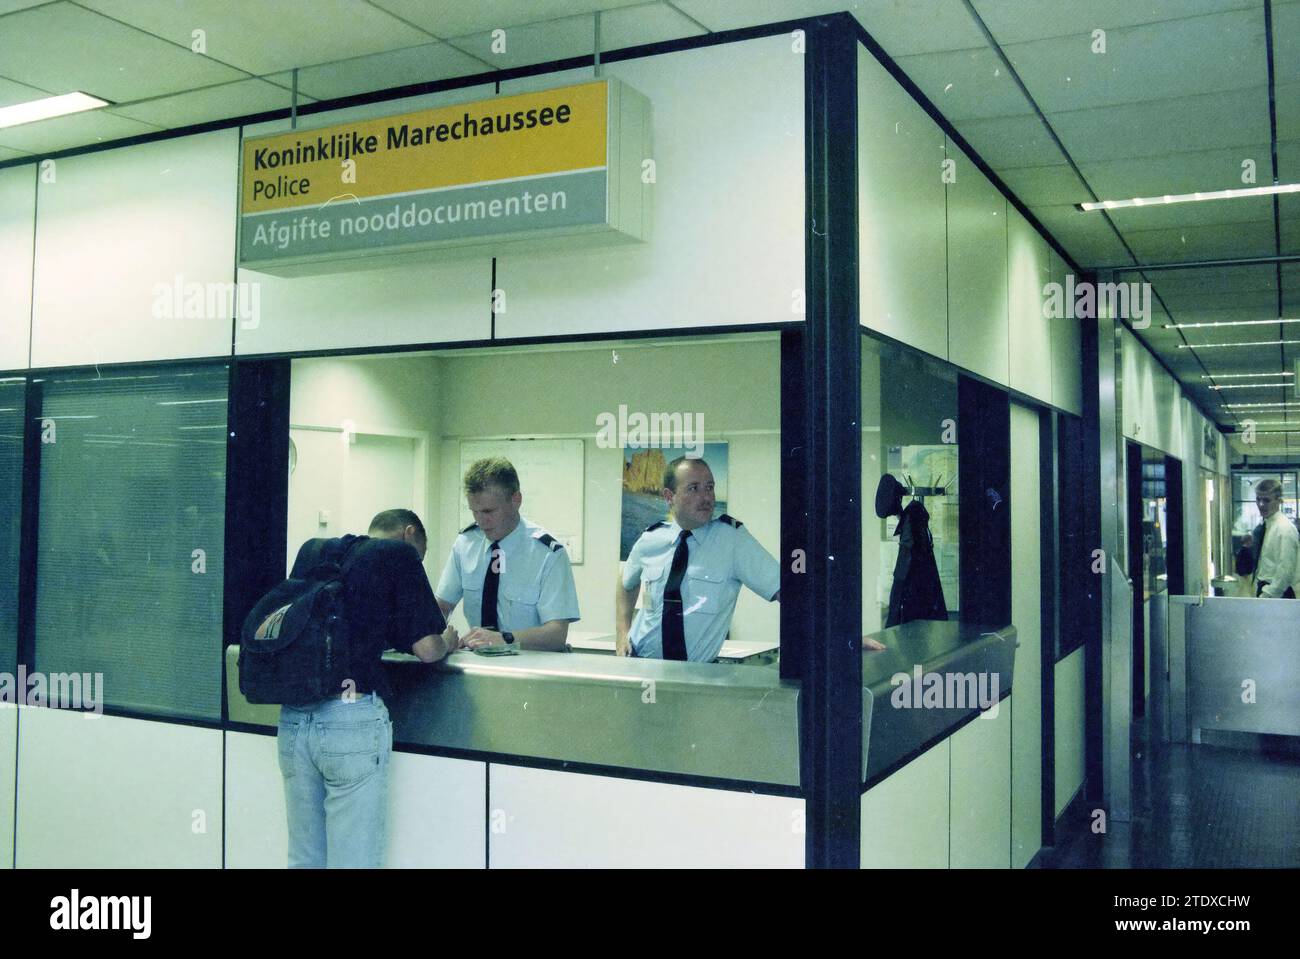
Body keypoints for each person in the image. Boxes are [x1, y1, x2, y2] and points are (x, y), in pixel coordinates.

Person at [278, 508, 458, 869]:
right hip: (351, 718)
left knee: (304, 860)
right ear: (410, 534)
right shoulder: (399, 555)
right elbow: (427, 649)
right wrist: (449, 640)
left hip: (295, 721)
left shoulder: (317, 551)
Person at [617, 456, 886, 661]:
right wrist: (622, 633)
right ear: (668, 496)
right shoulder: (651, 539)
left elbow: (789, 592)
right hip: (641, 666)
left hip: (696, 676)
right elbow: (626, 583)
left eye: (710, 487)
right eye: (694, 488)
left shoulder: (732, 540)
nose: (706, 497)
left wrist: (841, 633)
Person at [436, 458, 580, 650]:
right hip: (479, 661)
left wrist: (505, 639)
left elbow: (556, 634)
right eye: (474, 512)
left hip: (531, 666)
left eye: (488, 511)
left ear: (516, 500)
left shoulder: (548, 554)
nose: (481, 521)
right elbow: (442, 606)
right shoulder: (466, 543)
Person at [1251, 479, 1298, 598]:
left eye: (1266, 500)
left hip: (1277, 593)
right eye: (1258, 499)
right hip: (1265, 588)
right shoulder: (1266, 526)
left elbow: (1285, 570)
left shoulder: (1284, 528)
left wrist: (1268, 595)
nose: (1261, 504)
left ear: (1279, 501)